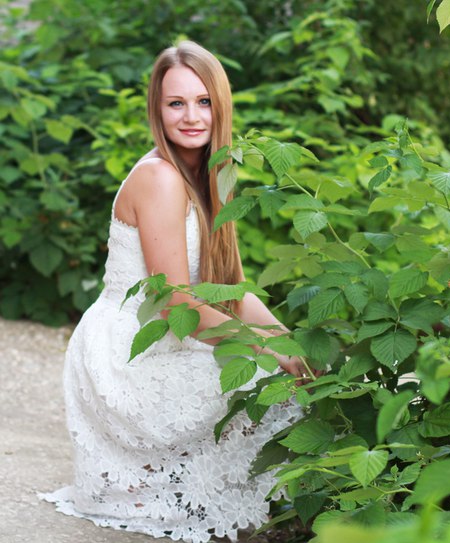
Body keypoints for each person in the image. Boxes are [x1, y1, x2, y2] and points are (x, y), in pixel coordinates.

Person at [40, 40, 305, 543]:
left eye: (203, 101)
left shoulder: (212, 172)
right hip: (129, 347)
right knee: (266, 380)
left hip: (173, 328)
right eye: (176, 103)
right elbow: (175, 302)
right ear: (157, 110)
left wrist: (287, 341)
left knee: (297, 369)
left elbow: (227, 287)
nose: (191, 116)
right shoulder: (160, 177)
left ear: (220, 105)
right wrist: (268, 350)